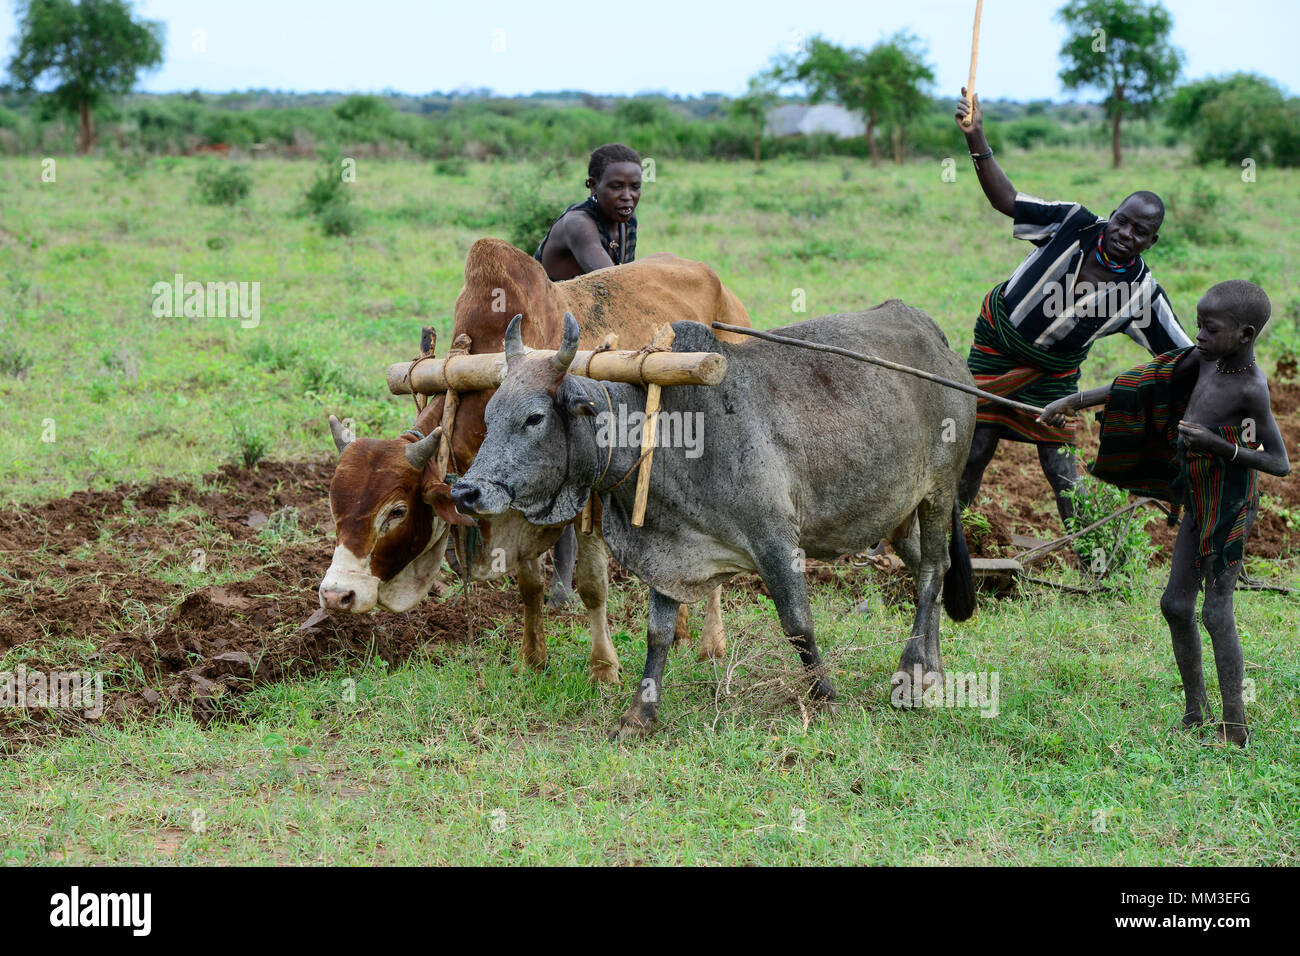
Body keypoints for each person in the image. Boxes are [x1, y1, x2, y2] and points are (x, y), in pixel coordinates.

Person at [1040, 281, 1289, 746]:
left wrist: (1218, 444)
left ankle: (1235, 729)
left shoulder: (1252, 388)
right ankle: (1196, 713)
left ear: (1244, 334)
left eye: (1209, 329)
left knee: (1216, 612)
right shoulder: (1206, 360)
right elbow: (1144, 384)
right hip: (1198, 499)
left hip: (1229, 507)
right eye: (1198, 325)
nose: (1198, 335)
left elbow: (1278, 462)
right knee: (1175, 605)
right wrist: (1072, 401)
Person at [954, 89, 1192, 532]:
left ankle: (1090, 556)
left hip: (1053, 379)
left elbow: (1184, 356)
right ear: (1113, 212)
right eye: (1122, 219)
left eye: (1140, 231)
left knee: (1060, 465)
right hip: (996, 352)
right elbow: (1006, 200)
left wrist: (1228, 388)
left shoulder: (1141, 295)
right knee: (974, 447)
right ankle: (951, 541)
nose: (1125, 233)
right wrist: (977, 138)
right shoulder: (1072, 222)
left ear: (1151, 241)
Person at [534, 143, 643, 607]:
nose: (627, 195)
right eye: (616, 185)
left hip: (588, 340)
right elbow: (619, 284)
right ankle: (562, 580)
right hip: (548, 346)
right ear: (592, 186)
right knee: (563, 448)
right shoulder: (580, 224)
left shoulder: (625, 224)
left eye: (635, 186)